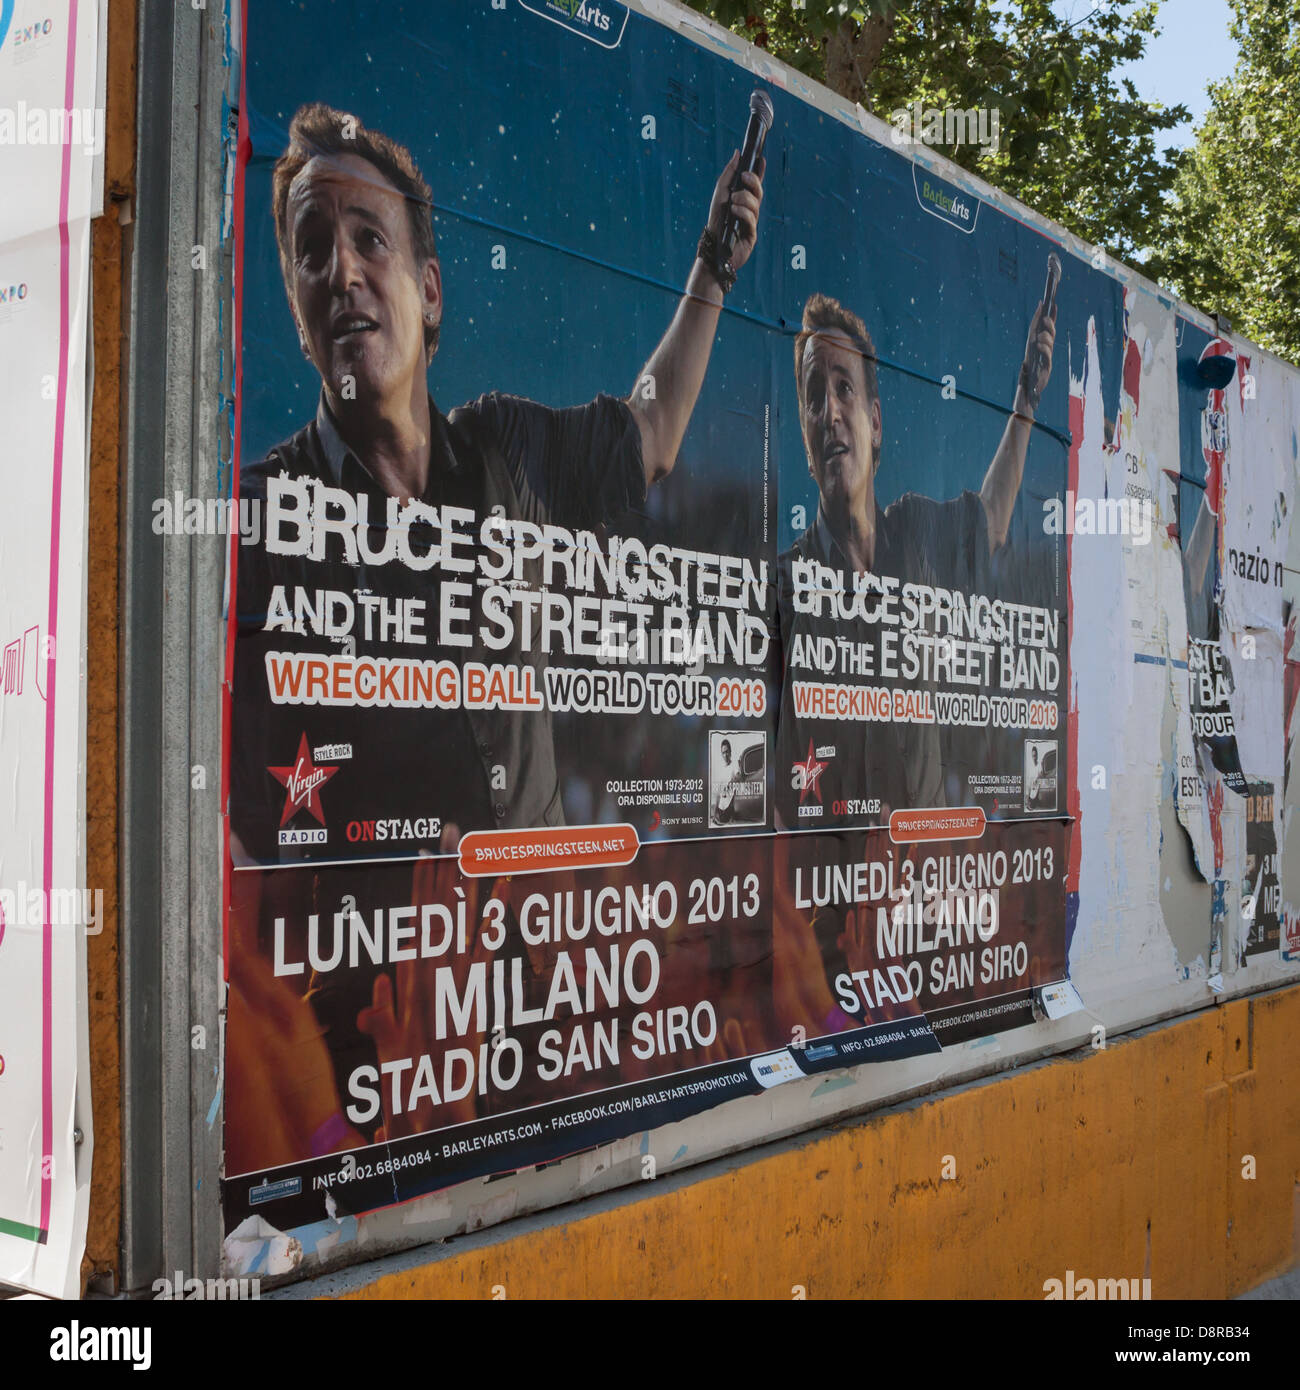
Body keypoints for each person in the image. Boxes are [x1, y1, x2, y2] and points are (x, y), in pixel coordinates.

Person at [230, 103, 765, 865]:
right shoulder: (261, 520)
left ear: (431, 290)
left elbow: (653, 433)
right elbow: (234, 841)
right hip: (391, 981)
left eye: (369, 240)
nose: (342, 272)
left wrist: (715, 261)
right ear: (297, 311)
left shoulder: (507, 449)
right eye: (312, 251)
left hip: (544, 965)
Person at [774, 290, 1057, 828]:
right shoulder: (787, 583)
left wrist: (1026, 399)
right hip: (835, 896)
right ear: (807, 440)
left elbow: (993, 518)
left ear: (875, 422)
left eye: (843, 389)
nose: (830, 411)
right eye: (814, 396)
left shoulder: (917, 533)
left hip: (925, 879)